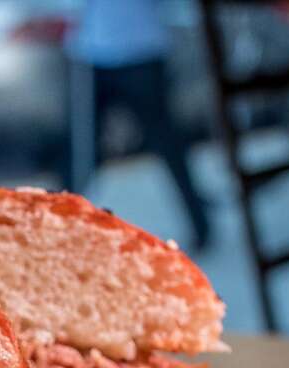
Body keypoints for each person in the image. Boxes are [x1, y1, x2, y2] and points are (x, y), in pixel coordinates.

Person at [65, 0, 210, 251]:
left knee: (166, 143)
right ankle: (57, 226)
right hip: (92, 53)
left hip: (142, 50)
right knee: (81, 147)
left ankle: (201, 224)